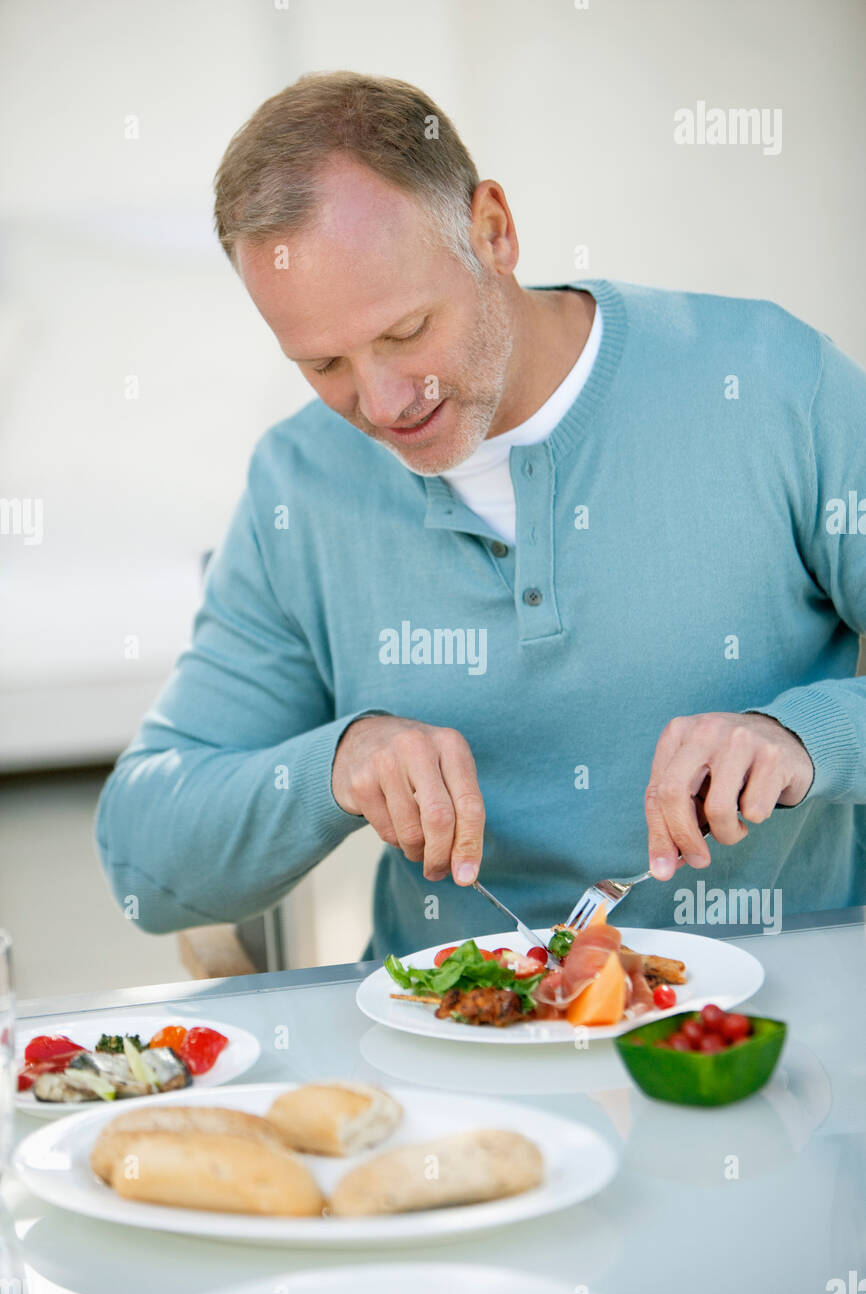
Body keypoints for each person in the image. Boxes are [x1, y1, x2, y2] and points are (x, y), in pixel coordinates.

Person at [95, 72, 866, 958]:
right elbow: (141, 863)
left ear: (492, 230)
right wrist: (333, 768)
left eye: (406, 330)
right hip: (445, 1059)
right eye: (324, 364)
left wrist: (810, 738)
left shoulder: (771, 383)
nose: (383, 403)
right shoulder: (298, 486)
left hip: (769, 1038)